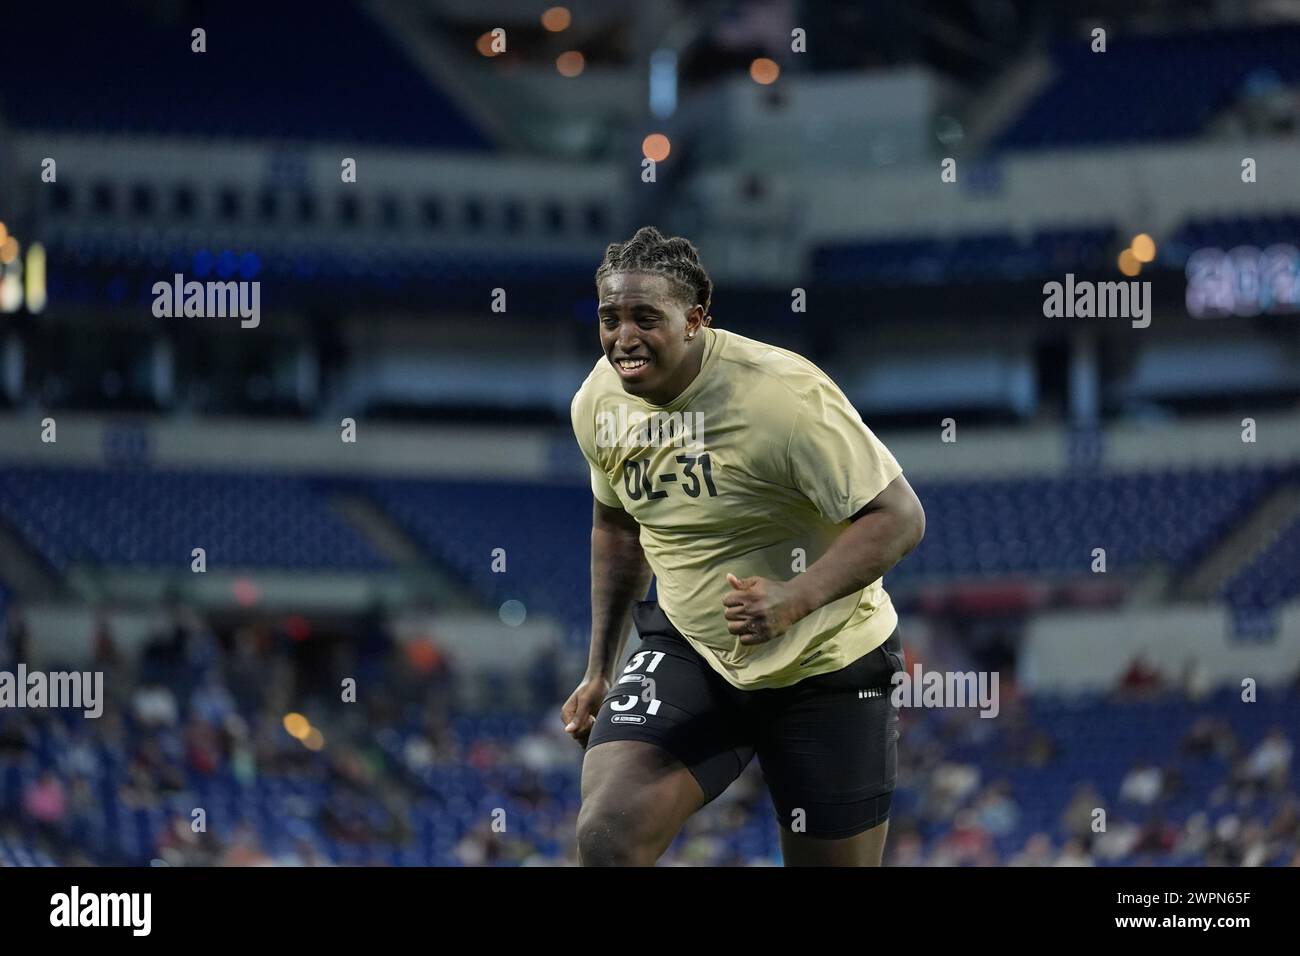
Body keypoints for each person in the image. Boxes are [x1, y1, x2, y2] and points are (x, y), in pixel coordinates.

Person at [561, 226, 925, 866]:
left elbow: (898, 517)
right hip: (694, 652)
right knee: (608, 834)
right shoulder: (598, 401)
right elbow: (618, 528)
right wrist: (600, 669)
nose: (624, 337)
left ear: (696, 319)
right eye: (610, 317)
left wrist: (793, 598)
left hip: (826, 664)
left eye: (646, 317)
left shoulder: (784, 398)